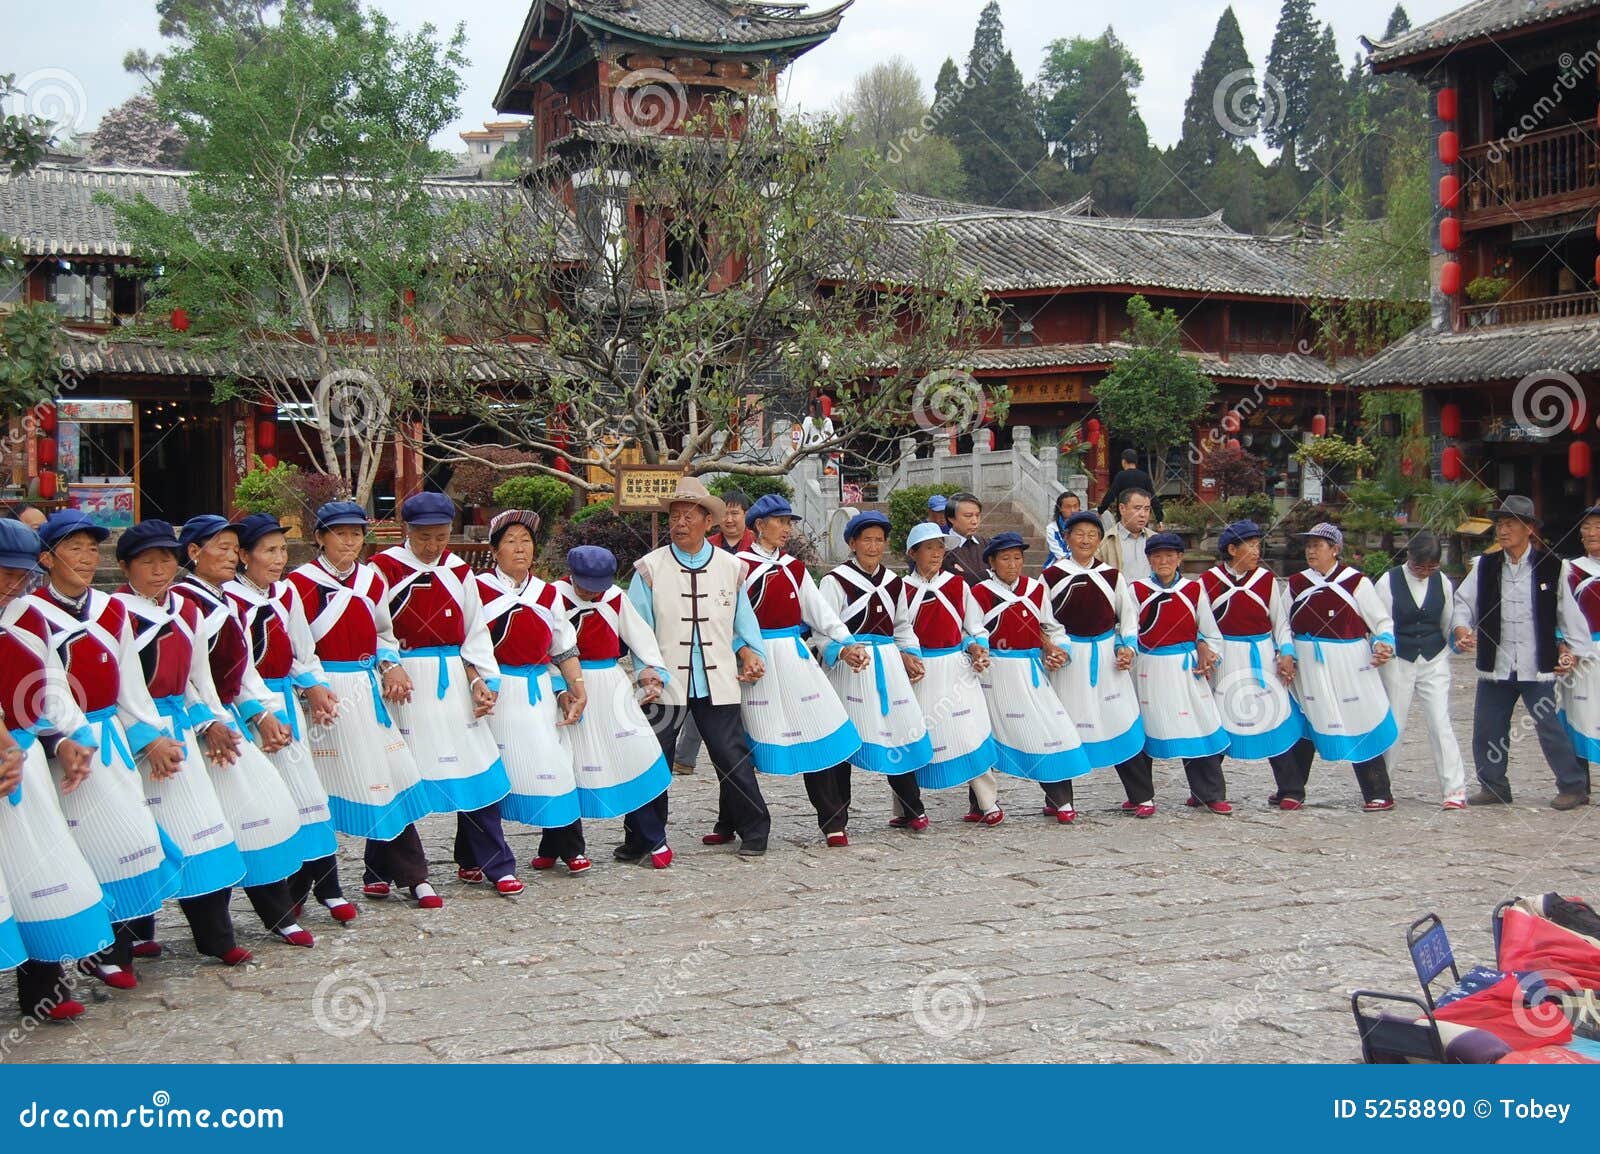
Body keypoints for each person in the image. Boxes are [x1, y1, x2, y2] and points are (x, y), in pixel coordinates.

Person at [25, 510, 181, 987]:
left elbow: (130, 682)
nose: (87, 558)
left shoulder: (112, 610)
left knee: (127, 840)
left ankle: (117, 946)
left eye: (93, 549)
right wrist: (65, 739)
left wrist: (149, 733)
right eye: (75, 549)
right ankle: (71, 960)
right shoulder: (30, 613)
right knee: (72, 849)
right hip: (62, 747)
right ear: (47, 559)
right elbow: (40, 690)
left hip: (109, 738)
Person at [113, 520, 252, 965]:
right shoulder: (113, 612)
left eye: (166, 560)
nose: (159, 570)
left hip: (179, 727)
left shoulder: (185, 610)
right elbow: (114, 687)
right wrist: (146, 739)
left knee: (201, 828)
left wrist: (210, 721)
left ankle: (214, 933)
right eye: (147, 562)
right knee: (135, 837)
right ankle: (130, 938)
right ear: (125, 567)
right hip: (132, 733)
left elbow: (198, 680)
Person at [287, 502, 436, 908]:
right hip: (327, 692)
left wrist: (391, 667)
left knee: (390, 775)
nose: (349, 541)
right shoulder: (298, 584)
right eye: (340, 533)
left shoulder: (371, 579)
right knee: (321, 788)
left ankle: (413, 875)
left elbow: (384, 634)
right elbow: (297, 647)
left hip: (366, 688)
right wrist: (312, 687)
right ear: (320, 537)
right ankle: (309, 888)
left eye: (356, 533)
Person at [174, 515, 315, 944]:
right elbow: (184, 679)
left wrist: (263, 712)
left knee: (260, 812)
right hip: (196, 725)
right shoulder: (184, 602)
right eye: (222, 547)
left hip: (230, 717)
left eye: (235, 548)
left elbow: (243, 671)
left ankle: (279, 910)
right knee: (205, 828)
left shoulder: (223, 600)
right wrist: (207, 722)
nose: (232, 556)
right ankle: (208, 933)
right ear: (194, 553)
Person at [371, 492, 520, 896]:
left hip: (452, 678)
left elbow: (475, 632)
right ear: (407, 532)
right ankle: (380, 868)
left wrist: (484, 682)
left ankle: (494, 862)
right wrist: (389, 664)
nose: (434, 546)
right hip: (405, 683)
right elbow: (375, 630)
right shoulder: (381, 570)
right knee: (399, 773)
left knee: (478, 769)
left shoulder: (458, 571)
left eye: (441, 537)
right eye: (424, 538)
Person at [0, 519, 117, 1021]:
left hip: (22, 761)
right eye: (2, 573)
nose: (10, 585)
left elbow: (49, 689)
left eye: (19, 576)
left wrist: (68, 738)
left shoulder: (28, 617)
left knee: (40, 871)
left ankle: (44, 988)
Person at [628, 477, 770, 857]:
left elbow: (742, 626)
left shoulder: (732, 567)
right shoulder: (648, 569)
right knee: (653, 761)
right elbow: (637, 627)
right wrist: (645, 669)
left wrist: (751, 654)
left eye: (689, 515)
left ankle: (755, 830)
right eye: (675, 515)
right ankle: (643, 839)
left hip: (717, 679)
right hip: (664, 683)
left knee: (732, 757)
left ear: (709, 521)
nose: (680, 522)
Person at [226, 513, 356, 923]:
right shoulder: (229, 599)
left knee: (309, 794)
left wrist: (314, 686)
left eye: (282, 549)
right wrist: (257, 710)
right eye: (269, 550)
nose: (279, 559)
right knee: (272, 801)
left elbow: (302, 651)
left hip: (285, 698)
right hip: (251, 706)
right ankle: (278, 895)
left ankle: (327, 887)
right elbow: (235, 662)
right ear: (244, 555)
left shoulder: (285, 594)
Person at [735, 495, 865, 844]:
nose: (787, 529)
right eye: (781, 522)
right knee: (739, 747)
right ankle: (732, 822)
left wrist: (846, 641)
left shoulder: (794, 567)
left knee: (817, 728)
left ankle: (834, 821)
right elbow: (728, 618)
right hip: (756, 660)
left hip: (794, 656)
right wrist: (741, 650)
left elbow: (820, 612)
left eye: (790, 522)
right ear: (760, 526)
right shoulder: (738, 566)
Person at [1454, 495, 1589, 810]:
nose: (1503, 530)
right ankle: (1494, 786)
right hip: (1497, 662)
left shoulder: (1553, 567)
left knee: (1550, 728)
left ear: (1529, 528)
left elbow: (1568, 613)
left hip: (1537, 663)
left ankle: (1573, 786)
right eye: (1500, 524)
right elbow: (1463, 603)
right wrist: (1461, 629)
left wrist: (1574, 651)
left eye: (1511, 523)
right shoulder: (1485, 566)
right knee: (1487, 727)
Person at [474, 510, 590, 873]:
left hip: (537, 688)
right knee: (487, 771)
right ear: (495, 550)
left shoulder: (547, 592)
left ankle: (566, 845)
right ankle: (476, 856)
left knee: (554, 765)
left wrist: (576, 688)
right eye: (510, 541)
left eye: (526, 540)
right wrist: (477, 682)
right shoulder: (476, 589)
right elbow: (467, 645)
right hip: (495, 691)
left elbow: (563, 646)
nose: (520, 548)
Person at [816, 512, 935, 835]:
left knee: (899, 731)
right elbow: (822, 629)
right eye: (866, 539)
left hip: (888, 664)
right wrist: (840, 651)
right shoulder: (834, 581)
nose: (873, 546)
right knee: (844, 740)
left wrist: (910, 653)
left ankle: (913, 807)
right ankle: (836, 819)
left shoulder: (893, 582)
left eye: (879, 540)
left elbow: (902, 626)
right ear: (852, 543)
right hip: (850, 666)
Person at [555, 546, 674, 867]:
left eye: (599, 586)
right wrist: (557, 688)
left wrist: (653, 672)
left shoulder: (616, 599)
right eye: (586, 586)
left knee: (633, 757)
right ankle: (561, 845)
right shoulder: (553, 596)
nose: (593, 593)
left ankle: (654, 838)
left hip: (611, 685)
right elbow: (546, 645)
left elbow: (642, 638)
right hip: (569, 686)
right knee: (567, 765)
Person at [971, 531, 1092, 820]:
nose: (1012, 564)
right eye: (1005, 558)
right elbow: (974, 629)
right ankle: (981, 805)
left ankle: (1060, 799)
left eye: (1017, 558)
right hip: (994, 671)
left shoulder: (1035, 590)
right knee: (984, 734)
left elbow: (1051, 627)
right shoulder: (978, 593)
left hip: (1030, 671)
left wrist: (1059, 649)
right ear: (991, 562)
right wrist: (980, 649)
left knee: (1048, 730)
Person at [1281, 522, 1398, 811]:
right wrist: (1285, 651)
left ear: (1335, 550)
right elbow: (1282, 622)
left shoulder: (1356, 582)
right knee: (1305, 722)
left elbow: (1380, 622)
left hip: (1349, 663)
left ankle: (1378, 791)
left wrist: (1382, 643)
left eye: (1318, 545)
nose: (1311, 550)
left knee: (1359, 719)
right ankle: (1292, 790)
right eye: (1308, 545)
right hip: (1308, 664)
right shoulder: (1296, 584)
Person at [1040, 511, 1146, 797]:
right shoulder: (1051, 576)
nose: (1085, 540)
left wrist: (1127, 647)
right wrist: (1053, 647)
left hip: (1107, 659)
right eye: (1079, 534)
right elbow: (1043, 620)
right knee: (1062, 725)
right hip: (1069, 661)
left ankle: (1140, 795)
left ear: (1100, 540)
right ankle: (1059, 800)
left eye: (1092, 535)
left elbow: (1128, 616)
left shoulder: (1111, 575)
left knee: (1119, 718)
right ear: (1066, 537)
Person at [1126, 533, 1231, 815]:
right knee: (1144, 728)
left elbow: (1210, 631)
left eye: (1170, 556)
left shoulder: (1194, 591)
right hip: (1148, 667)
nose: (1163, 561)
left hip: (1185, 669)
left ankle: (1208, 793)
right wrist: (1127, 653)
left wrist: (1207, 651)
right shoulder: (1136, 591)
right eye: (1157, 556)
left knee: (1199, 724)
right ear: (1149, 559)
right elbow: (1128, 631)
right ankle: (1140, 795)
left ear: (1179, 558)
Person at [1201, 521, 1305, 791]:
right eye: (1251, 545)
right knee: (1219, 718)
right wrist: (1204, 647)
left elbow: (1280, 622)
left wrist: (1286, 651)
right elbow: (1198, 622)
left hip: (1261, 656)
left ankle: (1290, 789)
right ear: (1233, 549)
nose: (1257, 551)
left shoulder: (1265, 580)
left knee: (1274, 717)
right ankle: (1207, 791)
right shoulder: (1208, 581)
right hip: (1225, 658)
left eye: (1258, 544)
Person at [1373, 531, 1468, 809]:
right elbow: (1380, 622)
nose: (1425, 572)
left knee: (1440, 722)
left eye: (1431, 567)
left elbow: (1448, 621)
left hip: (1433, 657)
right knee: (1395, 723)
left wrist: (1459, 639)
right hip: (1398, 658)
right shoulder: (1388, 581)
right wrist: (1381, 646)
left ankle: (1454, 789)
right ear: (1409, 558)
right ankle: (1382, 787)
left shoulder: (1443, 583)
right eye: (1420, 566)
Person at [678, 491, 752, 775]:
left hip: (740, 636)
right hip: (707, 637)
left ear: (747, 516)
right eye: (727, 514)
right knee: (703, 693)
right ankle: (685, 757)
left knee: (735, 705)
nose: (730, 519)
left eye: (736, 513)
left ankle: (746, 756)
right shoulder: (704, 547)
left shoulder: (753, 550)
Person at [1561, 506, 1600, 792]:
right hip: (1584, 653)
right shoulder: (1570, 569)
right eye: (1586, 527)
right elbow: (1560, 613)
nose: (1590, 532)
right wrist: (1563, 644)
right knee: (1579, 714)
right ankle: (1578, 785)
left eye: (1597, 526)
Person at [1095, 487, 1156, 582]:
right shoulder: (1104, 541)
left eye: (1147, 509)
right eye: (1137, 508)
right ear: (1122, 509)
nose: (1143, 514)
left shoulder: (1155, 539)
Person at [1097, 449, 1165, 524]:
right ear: (1136, 462)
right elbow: (1153, 498)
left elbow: (1110, 495)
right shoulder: (1144, 476)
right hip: (1141, 517)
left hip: (1125, 516)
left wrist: (1100, 511)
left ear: (1123, 461)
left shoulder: (1121, 476)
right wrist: (1159, 519)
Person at [942, 492, 987, 587]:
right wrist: (988, 575)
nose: (975, 521)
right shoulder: (942, 548)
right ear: (951, 518)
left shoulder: (986, 544)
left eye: (977, 515)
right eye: (968, 516)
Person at [1044, 491, 1083, 563]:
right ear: (1060, 508)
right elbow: (1058, 553)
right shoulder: (1052, 528)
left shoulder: (1085, 527)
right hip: (1059, 564)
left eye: (1075, 506)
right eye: (1068, 507)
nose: (1073, 510)